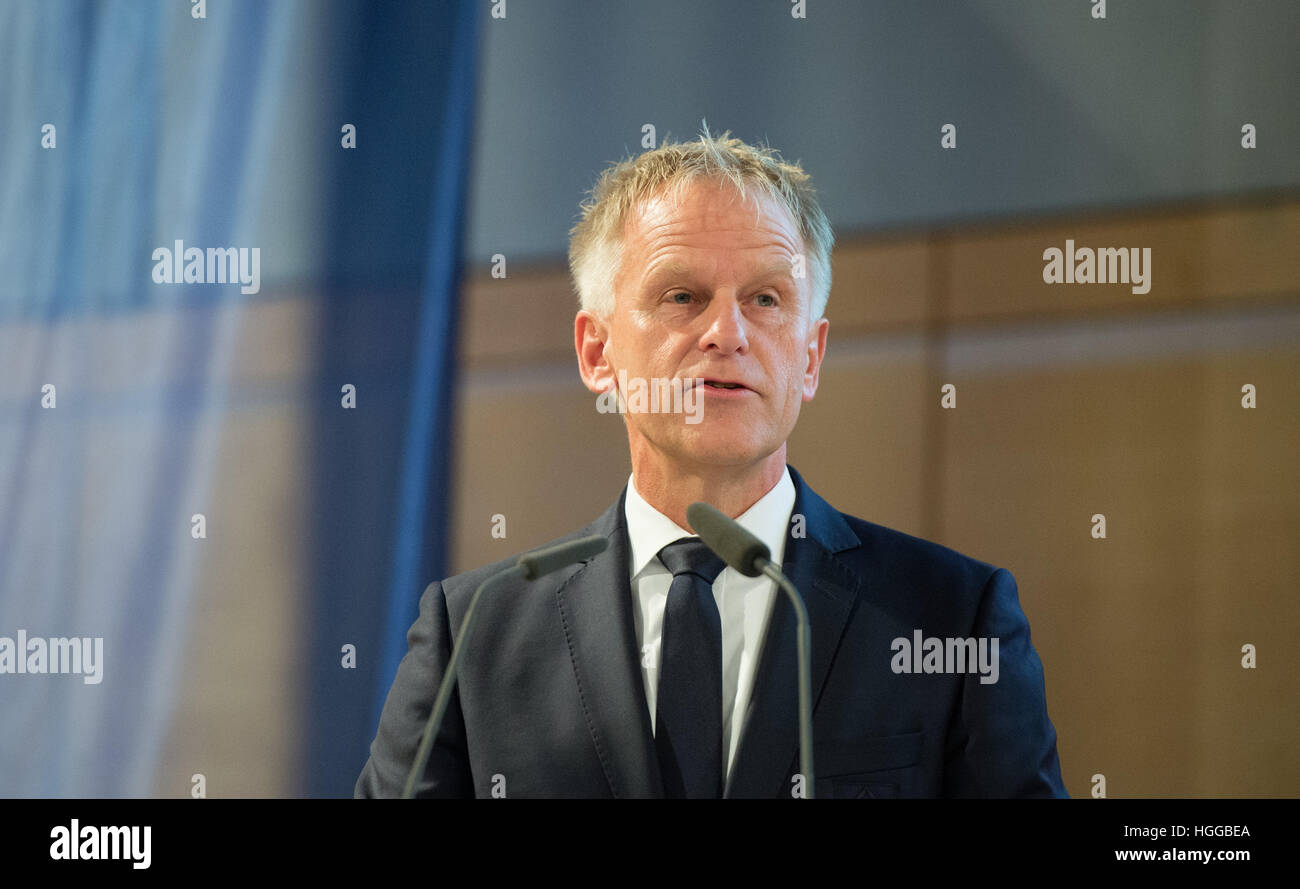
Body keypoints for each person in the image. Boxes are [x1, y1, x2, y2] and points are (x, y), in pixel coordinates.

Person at [355, 130, 1067, 798]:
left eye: (765, 299)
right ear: (597, 352)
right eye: (682, 297)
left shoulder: (951, 619)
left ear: (811, 356)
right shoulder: (474, 633)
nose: (727, 333)